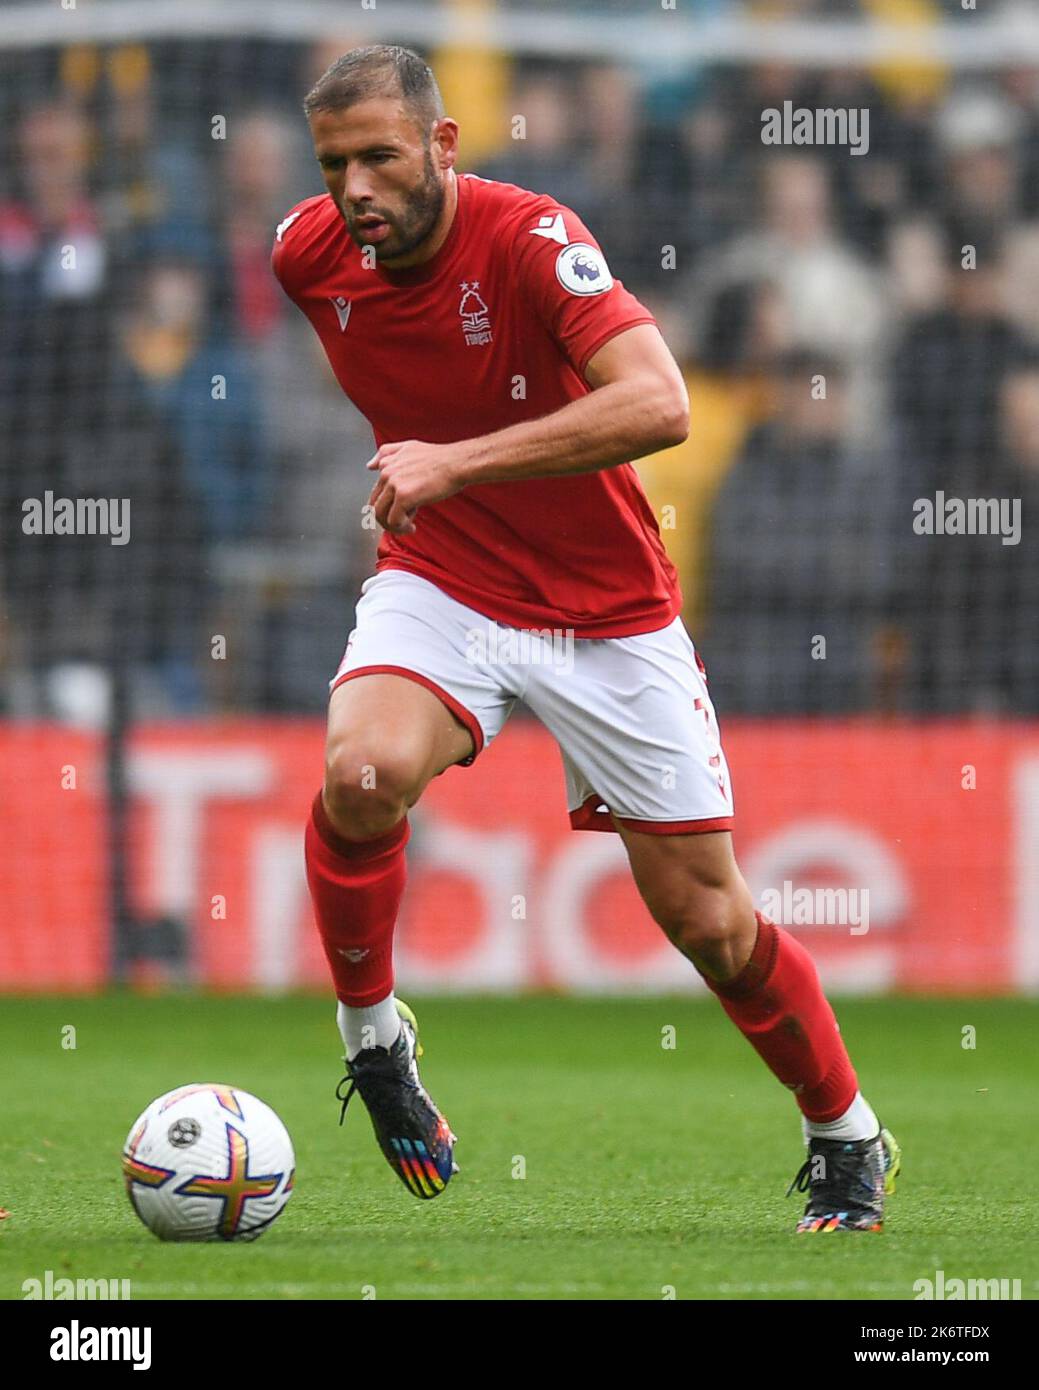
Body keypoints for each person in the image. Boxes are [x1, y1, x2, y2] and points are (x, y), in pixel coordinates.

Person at [272, 44, 900, 1230]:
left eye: (381, 157)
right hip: (444, 578)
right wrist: (445, 490)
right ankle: (372, 1041)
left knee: (709, 922)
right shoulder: (305, 255)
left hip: (604, 611)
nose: (355, 187)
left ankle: (845, 1133)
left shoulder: (527, 236)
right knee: (360, 777)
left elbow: (660, 400)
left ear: (443, 146)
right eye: (334, 162)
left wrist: (453, 462)